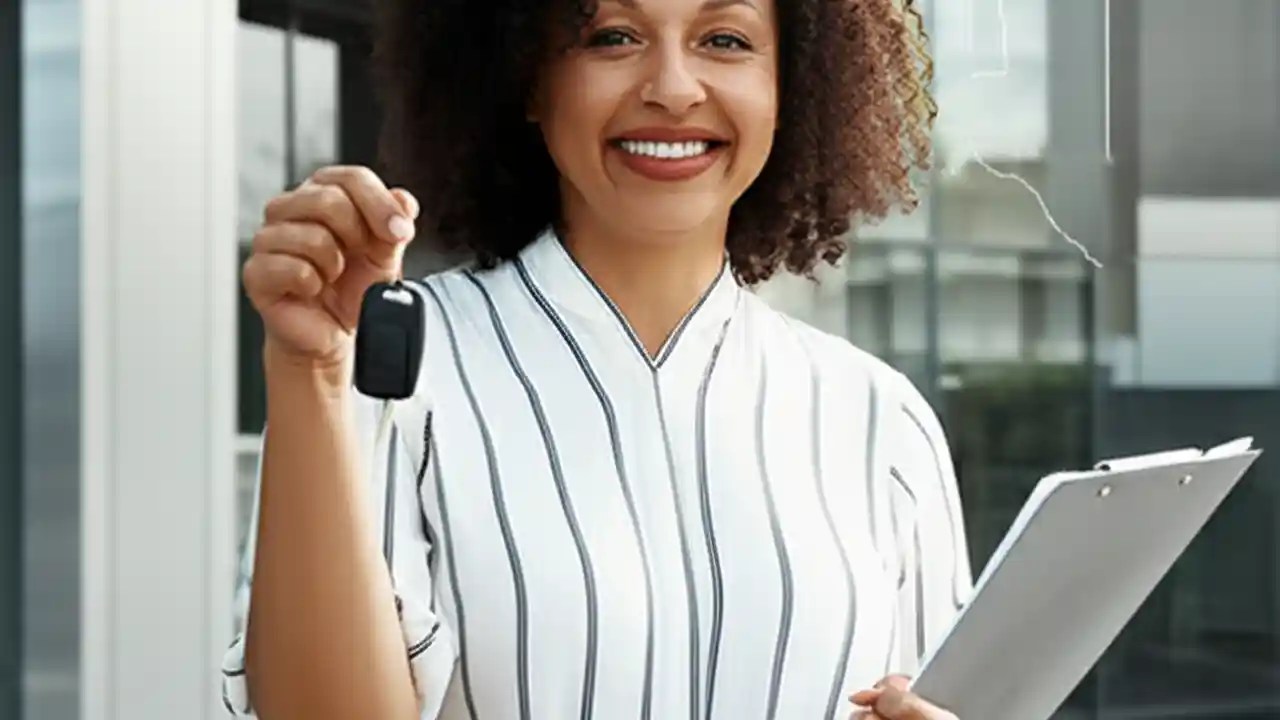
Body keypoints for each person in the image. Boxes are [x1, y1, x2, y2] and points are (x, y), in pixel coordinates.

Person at [222, 0, 973, 718]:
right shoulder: (386, 366)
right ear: (527, 79)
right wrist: (309, 374)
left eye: (726, 40)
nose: (674, 89)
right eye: (611, 36)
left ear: (792, 86)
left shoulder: (881, 420)